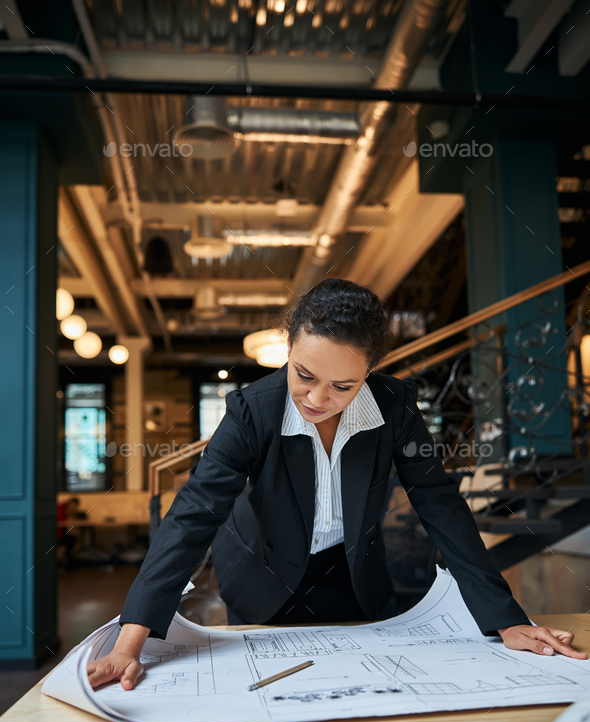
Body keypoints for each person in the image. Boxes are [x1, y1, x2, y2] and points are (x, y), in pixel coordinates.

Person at [88, 279, 587, 690]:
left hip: (353, 574)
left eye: (343, 386)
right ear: (288, 346)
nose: (317, 398)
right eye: (304, 374)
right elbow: (193, 514)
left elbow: (440, 505)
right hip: (262, 574)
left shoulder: (395, 408)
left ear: (368, 373)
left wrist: (507, 619)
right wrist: (131, 643)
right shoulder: (251, 412)